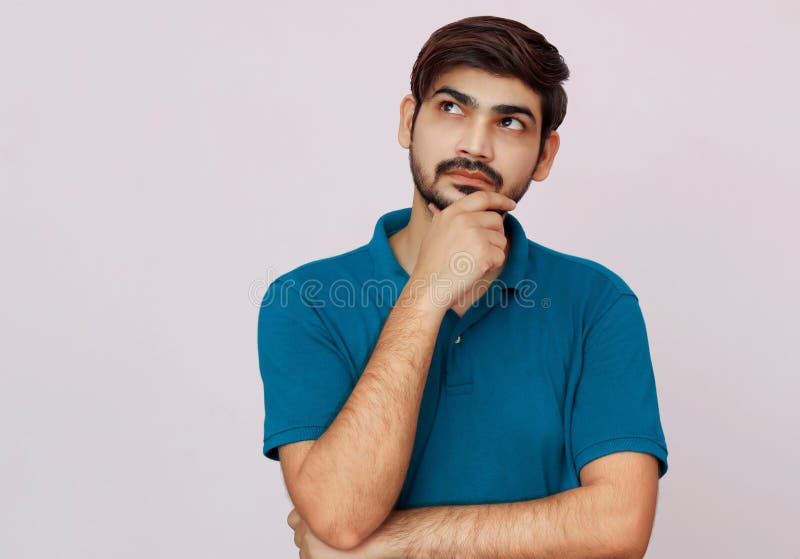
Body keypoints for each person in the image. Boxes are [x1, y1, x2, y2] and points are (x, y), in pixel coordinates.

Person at [257, 14, 669, 558]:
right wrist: (428, 289)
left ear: (544, 155)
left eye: (510, 123)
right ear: (409, 122)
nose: (475, 147)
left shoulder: (597, 303)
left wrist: (395, 545)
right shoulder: (306, 301)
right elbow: (341, 515)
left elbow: (619, 526)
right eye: (452, 108)